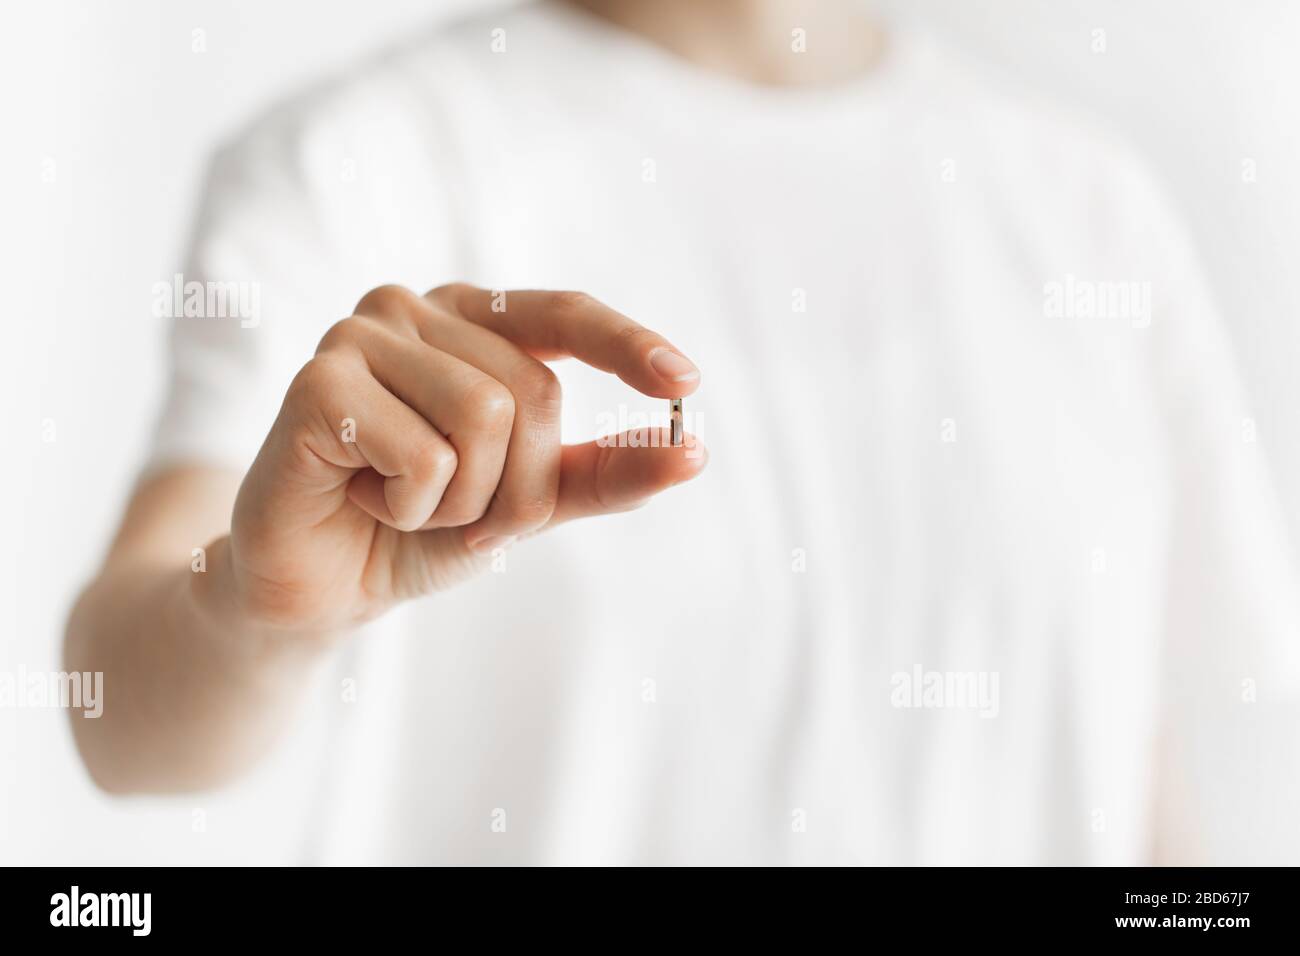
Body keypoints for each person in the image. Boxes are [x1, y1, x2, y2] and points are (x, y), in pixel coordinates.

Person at [64, 0, 1299, 864]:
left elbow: (1133, 782)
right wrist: (254, 611)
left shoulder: (1092, 212)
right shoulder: (352, 166)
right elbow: (116, 708)